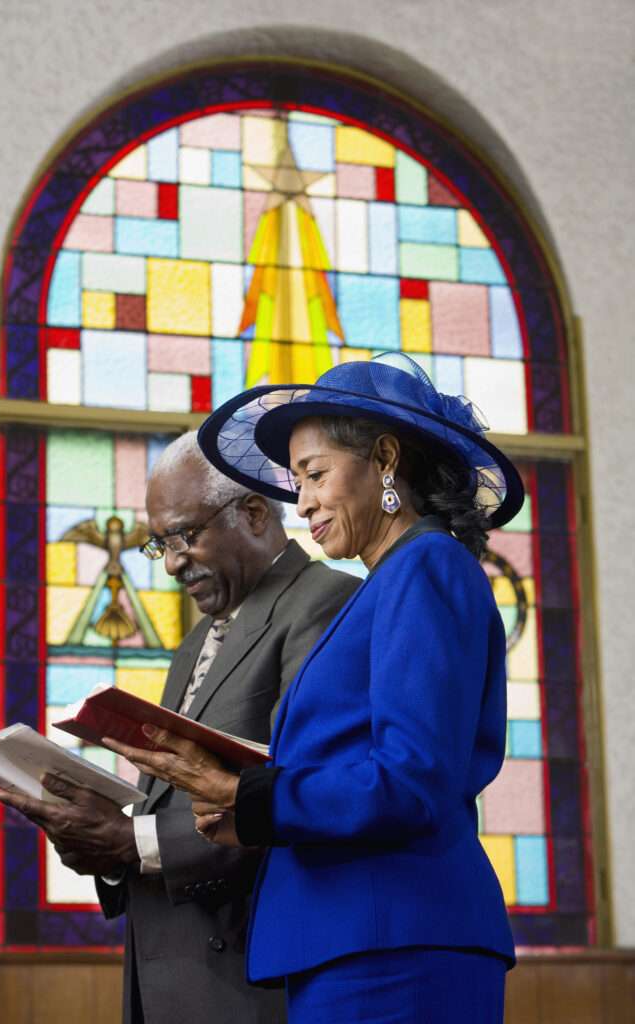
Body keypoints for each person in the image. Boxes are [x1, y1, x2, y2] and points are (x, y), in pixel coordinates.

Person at [106, 354, 525, 1024]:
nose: (300, 503)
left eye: (315, 475)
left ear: (385, 460)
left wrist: (251, 795)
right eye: (296, 482)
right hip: (350, 939)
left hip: (394, 940)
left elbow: (411, 780)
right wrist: (240, 808)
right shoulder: (385, 584)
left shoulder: (425, 567)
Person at [0, 431, 360, 1024]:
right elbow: (170, 802)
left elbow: (304, 799)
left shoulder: (325, 601)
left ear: (255, 512)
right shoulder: (194, 643)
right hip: (163, 974)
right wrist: (104, 845)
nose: (171, 562)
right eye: (159, 543)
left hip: (247, 982)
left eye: (186, 535)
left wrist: (127, 840)